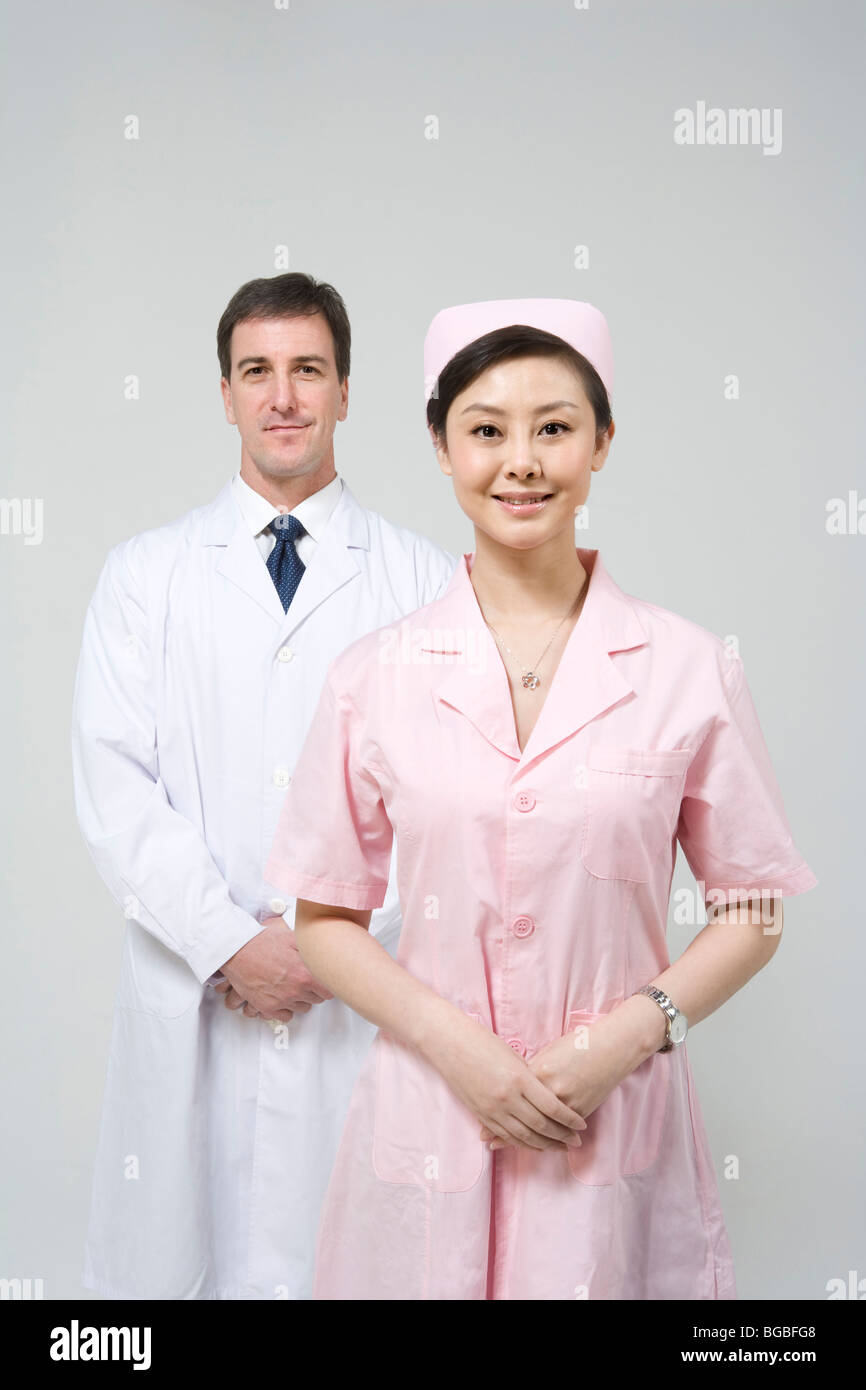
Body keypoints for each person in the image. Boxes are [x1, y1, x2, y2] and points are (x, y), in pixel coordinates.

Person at [263, 297, 818, 1301]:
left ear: (601, 441)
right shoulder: (372, 675)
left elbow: (752, 906)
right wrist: (454, 1047)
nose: (519, 461)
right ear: (439, 446)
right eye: (484, 430)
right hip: (429, 1110)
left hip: (612, 1118)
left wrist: (629, 1034)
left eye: (553, 427)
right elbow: (323, 916)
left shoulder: (687, 666)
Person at [70, 272, 457, 1300]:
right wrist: (230, 942)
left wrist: (334, 954)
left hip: (356, 1002)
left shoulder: (421, 581)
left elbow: (446, 806)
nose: (281, 396)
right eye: (256, 372)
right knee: (183, 1271)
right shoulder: (143, 575)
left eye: (306, 370)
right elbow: (114, 787)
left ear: (342, 390)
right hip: (192, 991)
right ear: (226, 393)